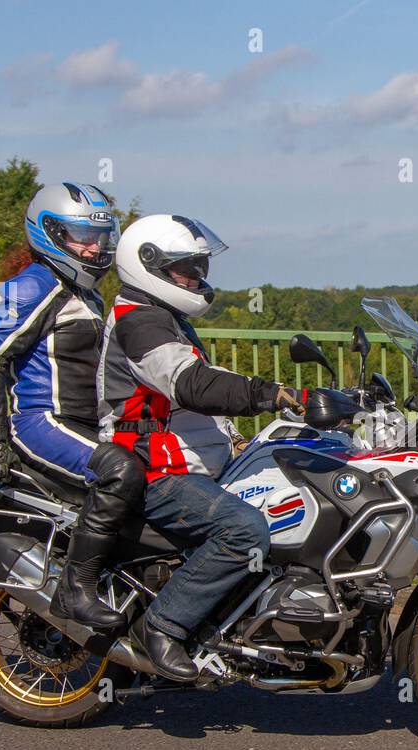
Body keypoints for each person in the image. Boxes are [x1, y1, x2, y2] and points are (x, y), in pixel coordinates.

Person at [97, 214, 304, 680]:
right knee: (244, 531)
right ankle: (163, 626)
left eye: (200, 267)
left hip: (192, 465)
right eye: (186, 268)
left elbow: (201, 396)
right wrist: (268, 393)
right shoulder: (140, 322)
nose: (197, 278)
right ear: (147, 264)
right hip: (156, 472)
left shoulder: (166, 319)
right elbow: (190, 384)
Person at [0, 182, 145, 631]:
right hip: (42, 422)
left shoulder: (84, 292)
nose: (95, 247)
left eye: (101, 236)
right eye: (83, 236)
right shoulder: (34, 286)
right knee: (123, 472)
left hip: (84, 423)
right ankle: (76, 589)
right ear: (49, 233)